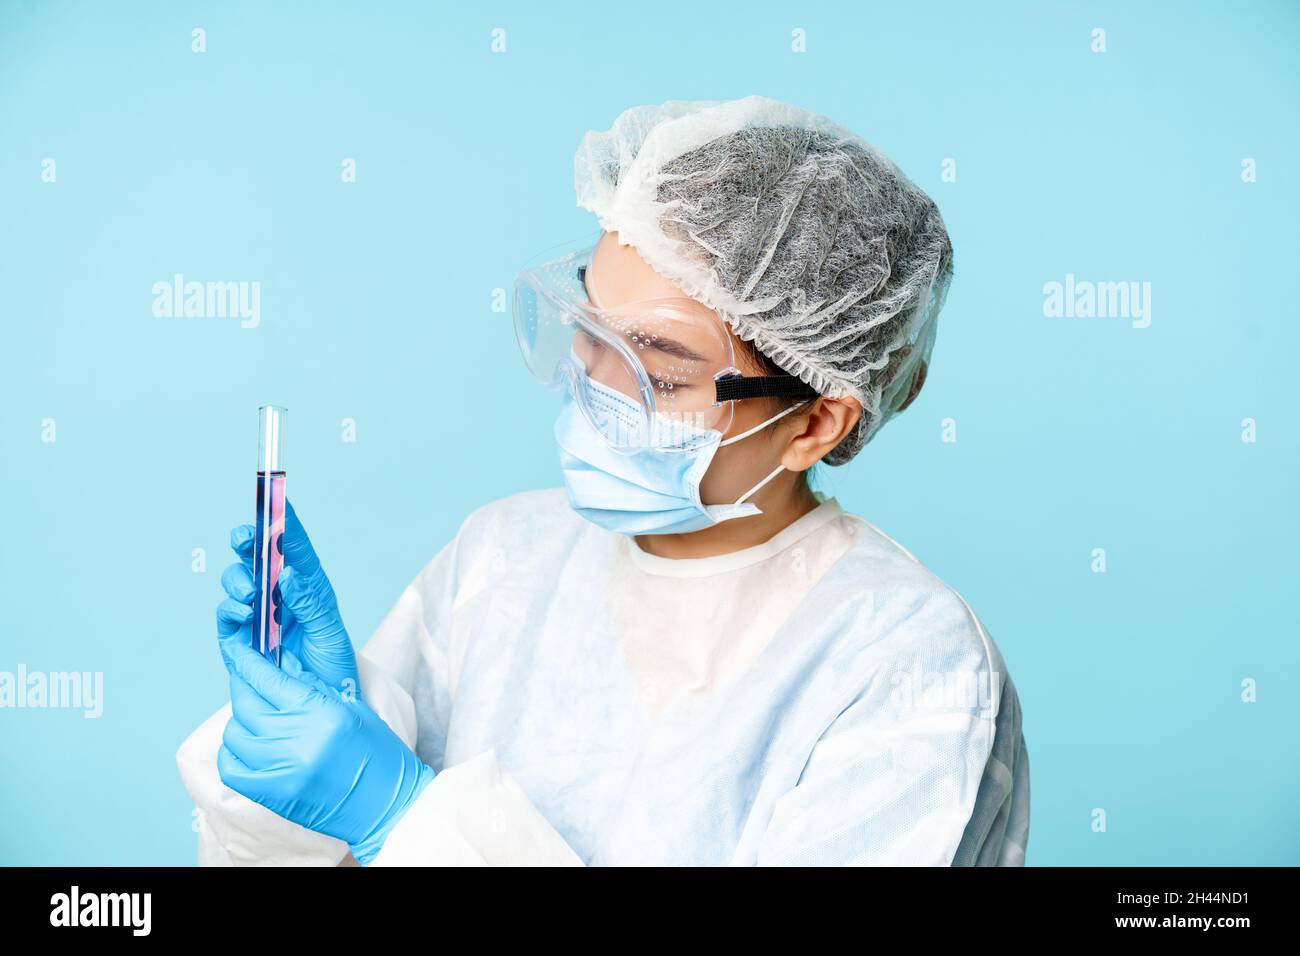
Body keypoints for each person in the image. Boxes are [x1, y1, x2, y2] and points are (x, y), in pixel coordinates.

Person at [177, 95, 1029, 866]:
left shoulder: (907, 664)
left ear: (814, 423)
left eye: (657, 371)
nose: (594, 384)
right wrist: (286, 800)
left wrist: (408, 821)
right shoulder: (505, 557)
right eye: (588, 330)